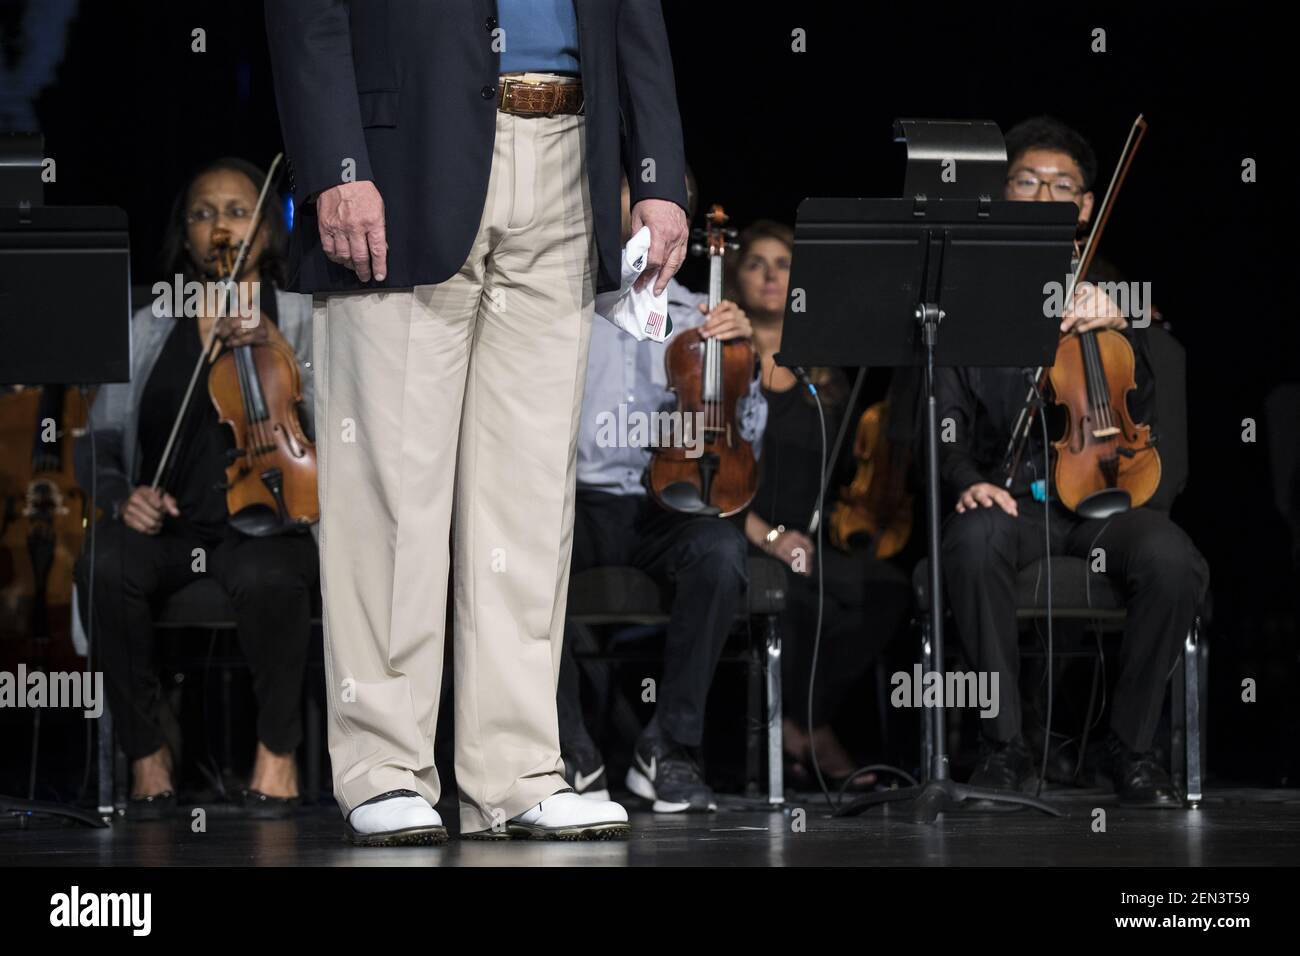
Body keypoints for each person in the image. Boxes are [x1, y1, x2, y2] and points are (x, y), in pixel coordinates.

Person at [264, 0, 689, 843]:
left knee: (529, 495)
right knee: (393, 485)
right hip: (400, 156)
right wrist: (334, 162)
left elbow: (636, 14)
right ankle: (384, 766)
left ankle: (518, 768)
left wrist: (659, 174)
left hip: (569, 147)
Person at [937, 116, 1209, 807]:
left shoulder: (1116, 301)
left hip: (1104, 503)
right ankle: (1003, 746)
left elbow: (1153, 407)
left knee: (1174, 561)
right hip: (1015, 504)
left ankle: (1131, 746)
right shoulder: (967, 303)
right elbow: (944, 422)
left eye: (1060, 185)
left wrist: (1123, 321)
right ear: (1002, 194)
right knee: (971, 540)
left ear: (1086, 205)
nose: (1042, 194)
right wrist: (969, 483)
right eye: (1026, 182)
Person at [74, 157, 319, 820]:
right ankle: (147, 754)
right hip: (174, 530)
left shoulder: (301, 318)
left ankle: (278, 753)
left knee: (271, 576)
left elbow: (346, 429)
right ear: (185, 237)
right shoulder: (153, 323)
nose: (220, 227)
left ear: (265, 231)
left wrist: (280, 353)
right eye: (203, 214)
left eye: (238, 212)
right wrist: (124, 493)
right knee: (104, 562)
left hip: (267, 521)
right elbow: (93, 441)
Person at [559, 170, 763, 812]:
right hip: (574, 500)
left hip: (659, 503)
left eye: (670, 208)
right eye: (637, 202)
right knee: (512, 553)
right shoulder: (566, 304)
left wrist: (741, 366)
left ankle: (668, 747)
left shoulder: (701, 319)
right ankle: (565, 750)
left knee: (721, 551)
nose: (652, 217)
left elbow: (744, 436)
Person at [736, 220, 914, 788]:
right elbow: (707, 478)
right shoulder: (717, 362)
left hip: (807, 540)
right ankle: (807, 737)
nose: (769, 275)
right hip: (743, 537)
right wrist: (770, 537)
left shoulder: (825, 376)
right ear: (736, 278)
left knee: (884, 589)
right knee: (795, 594)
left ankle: (802, 723)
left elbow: (848, 467)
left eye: (783, 264)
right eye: (756, 263)